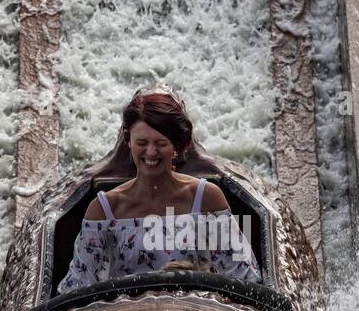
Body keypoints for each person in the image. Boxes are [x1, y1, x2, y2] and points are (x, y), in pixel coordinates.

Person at [57, 84, 261, 293]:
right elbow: (79, 290)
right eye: (142, 143)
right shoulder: (103, 210)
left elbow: (243, 278)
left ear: (178, 145)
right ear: (128, 141)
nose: (151, 152)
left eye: (161, 143)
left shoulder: (208, 199)